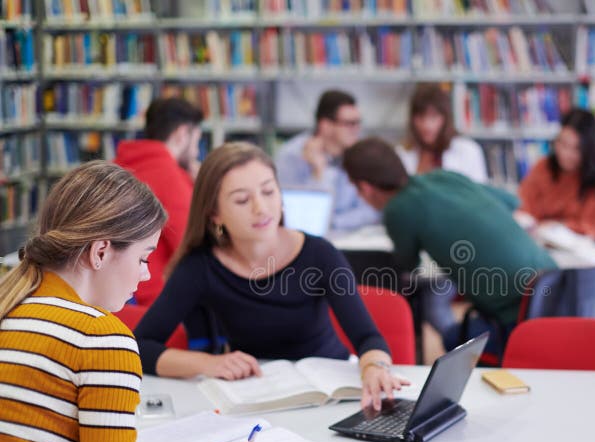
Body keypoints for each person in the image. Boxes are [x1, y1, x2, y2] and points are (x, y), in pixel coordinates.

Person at [0, 161, 261, 442]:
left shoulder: (10, 304)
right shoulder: (101, 338)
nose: (147, 274)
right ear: (101, 252)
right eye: (143, 257)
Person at [134, 142, 406, 410]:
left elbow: (368, 338)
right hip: (259, 397)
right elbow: (141, 346)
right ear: (214, 214)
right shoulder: (201, 266)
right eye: (242, 199)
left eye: (268, 191)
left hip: (331, 394)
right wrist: (208, 363)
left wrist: (374, 367)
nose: (261, 208)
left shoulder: (320, 254)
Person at [342, 137, 557, 351]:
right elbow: (511, 202)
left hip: (518, 319)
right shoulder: (444, 177)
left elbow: (406, 266)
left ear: (365, 188)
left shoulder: (398, 209)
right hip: (555, 287)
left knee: (452, 339)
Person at [114, 97, 204, 306]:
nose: (196, 152)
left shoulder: (118, 165)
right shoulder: (169, 176)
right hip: (155, 300)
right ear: (182, 134)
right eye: (197, 141)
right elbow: (192, 247)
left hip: (123, 296)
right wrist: (203, 190)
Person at [275, 89, 380, 231]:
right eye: (350, 123)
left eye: (358, 122)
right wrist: (318, 174)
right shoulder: (291, 156)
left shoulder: (360, 153)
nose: (357, 129)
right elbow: (296, 215)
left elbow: (372, 210)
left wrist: (334, 222)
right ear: (325, 125)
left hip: (351, 239)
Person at [518, 108, 595, 238]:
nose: (565, 154)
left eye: (576, 148)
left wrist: (561, 226)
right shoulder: (543, 167)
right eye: (562, 144)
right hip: (543, 244)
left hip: (585, 249)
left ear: (588, 150)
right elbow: (523, 207)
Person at [395, 83, 489, 183]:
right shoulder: (402, 153)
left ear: (445, 118)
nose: (427, 125)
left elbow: (479, 193)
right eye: (420, 117)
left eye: (434, 116)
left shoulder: (468, 151)